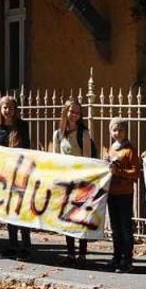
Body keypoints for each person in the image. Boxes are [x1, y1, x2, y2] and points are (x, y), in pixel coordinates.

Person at [52, 97, 98, 265]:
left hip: (80, 182)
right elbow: (56, 158)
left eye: (78, 113)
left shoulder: (83, 133)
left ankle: (82, 253)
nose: (75, 115)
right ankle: (70, 252)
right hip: (65, 182)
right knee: (67, 218)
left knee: (80, 218)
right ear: (65, 112)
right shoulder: (58, 134)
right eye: (72, 111)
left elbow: (87, 158)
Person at [0, 95, 33, 258]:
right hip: (5, 176)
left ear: (15, 110)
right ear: (0, 109)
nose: (7, 110)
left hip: (20, 174)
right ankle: (12, 245)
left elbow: (27, 148)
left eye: (10, 107)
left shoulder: (22, 126)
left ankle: (26, 247)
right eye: (4, 107)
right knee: (9, 211)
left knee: (21, 211)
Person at [107, 117, 142, 273]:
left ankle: (127, 259)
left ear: (125, 131)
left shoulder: (130, 150)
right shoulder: (111, 148)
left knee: (125, 228)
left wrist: (119, 172)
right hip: (111, 193)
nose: (117, 133)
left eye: (120, 130)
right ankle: (116, 256)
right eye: (114, 130)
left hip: (125, 193)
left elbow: (135, 172)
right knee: (115, 228)